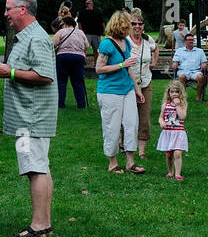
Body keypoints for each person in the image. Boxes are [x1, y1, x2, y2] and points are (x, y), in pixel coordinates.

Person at [0, 0, 58, 237]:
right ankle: (45, 223)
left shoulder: (36, 38)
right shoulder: (27, 37)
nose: (5, 14)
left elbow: (45, 75)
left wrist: (11, 72)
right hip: (28, 116)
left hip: (31, 117)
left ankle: (39, 225)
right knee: (40, 167)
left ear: (23, 9)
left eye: (8, 9)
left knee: (35, 168)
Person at [95, 10, 146, 175]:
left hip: (127, 89)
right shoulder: (106, 44)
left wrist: (137, 90)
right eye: (128, 25)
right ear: (120, 25)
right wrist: (121, 65)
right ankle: (113, 162)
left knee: (132, 124)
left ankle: (131, 162)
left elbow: (129, 67)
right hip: (110, 92)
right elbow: (99, 69)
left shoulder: (127, 43)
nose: (131, 28)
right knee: (112, 126)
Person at [125, 9, 158, 160]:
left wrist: (154, 62)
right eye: (134, 23)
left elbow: (155, 48)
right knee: (127, 117)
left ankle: (142, 151)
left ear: (143, 26)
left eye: (140, 23)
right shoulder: (125, 40)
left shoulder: (148, 40)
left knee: (144, 117)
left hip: (145, 82)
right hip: (128, 84)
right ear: (129, 25)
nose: (137, 26)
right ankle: (124, 144)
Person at [52, 14, 90, 109]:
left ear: (65, 23)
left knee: (61, 81)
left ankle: (60, 104)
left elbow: (52, 44)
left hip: (63, 57)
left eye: (62, 24)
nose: (61, 26)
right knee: (78, 82)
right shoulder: (81, 33)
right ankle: (81, 104)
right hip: (78, 58)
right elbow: (87, 46)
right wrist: (83, 54)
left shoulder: (61, 32)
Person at [157, 78, 189, 180]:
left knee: (178, 153)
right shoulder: (165, 105)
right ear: (168, 93)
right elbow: (161, 116)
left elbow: (182, 116)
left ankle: (178, 174)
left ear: (181, 93)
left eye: (177, 91)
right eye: (172, 91)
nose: (174, 94)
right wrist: (161, 122)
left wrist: (178, 105)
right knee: (169, 155)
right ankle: (170, 171)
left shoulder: (183, 104)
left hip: (178, 132)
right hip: (168, 133)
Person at [171, 33, 207, 101]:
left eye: (192, 40)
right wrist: (175, 64)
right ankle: (183, 96)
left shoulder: (200, 51)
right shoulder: (179, 51)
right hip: (183, 71)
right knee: (182, 77)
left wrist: (203, 65)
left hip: (195, 71)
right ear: (185, 41)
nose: (191, 41)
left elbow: (203, 62)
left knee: (200, 77)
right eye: (189, 40)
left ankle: (198, 96)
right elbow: (175, 61)